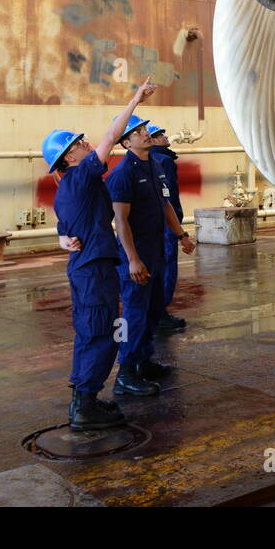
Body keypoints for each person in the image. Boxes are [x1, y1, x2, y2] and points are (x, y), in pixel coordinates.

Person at [44, 76, 156, 431]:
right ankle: (85, 407)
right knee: (99, 335)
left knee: (88, 332)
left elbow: (66, 223)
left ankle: (82, 396)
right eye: (78, 143)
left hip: (84, 267)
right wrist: (135, 99)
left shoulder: (69, 188)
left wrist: (63, 237)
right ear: (69, 157)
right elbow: (111, 137)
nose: (86, 144)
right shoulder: (80, 176)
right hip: (93, 271)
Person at [106, 113, 196, 396]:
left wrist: (181, 235)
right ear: (125, 141)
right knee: (134, 313)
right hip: (137, 256)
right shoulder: (122, 174)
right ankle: (126, 374)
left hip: (156, 250)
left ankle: (144, 361)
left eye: (145, 128)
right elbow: (120, 221)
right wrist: (132, 259)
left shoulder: (155, 164)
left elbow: (165, 205)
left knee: (152, 310)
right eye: (138, 131)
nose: (145, 133)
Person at [147, 125, 189, 332]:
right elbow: (168, 197)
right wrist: (178, 229)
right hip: (167, 224)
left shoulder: (154, 159)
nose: (164, 137)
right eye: (159, 135)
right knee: (167, 267)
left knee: (160, 267)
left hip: (159, 223)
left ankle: (156, 311)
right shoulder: (162, 160)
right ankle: (160, 313)